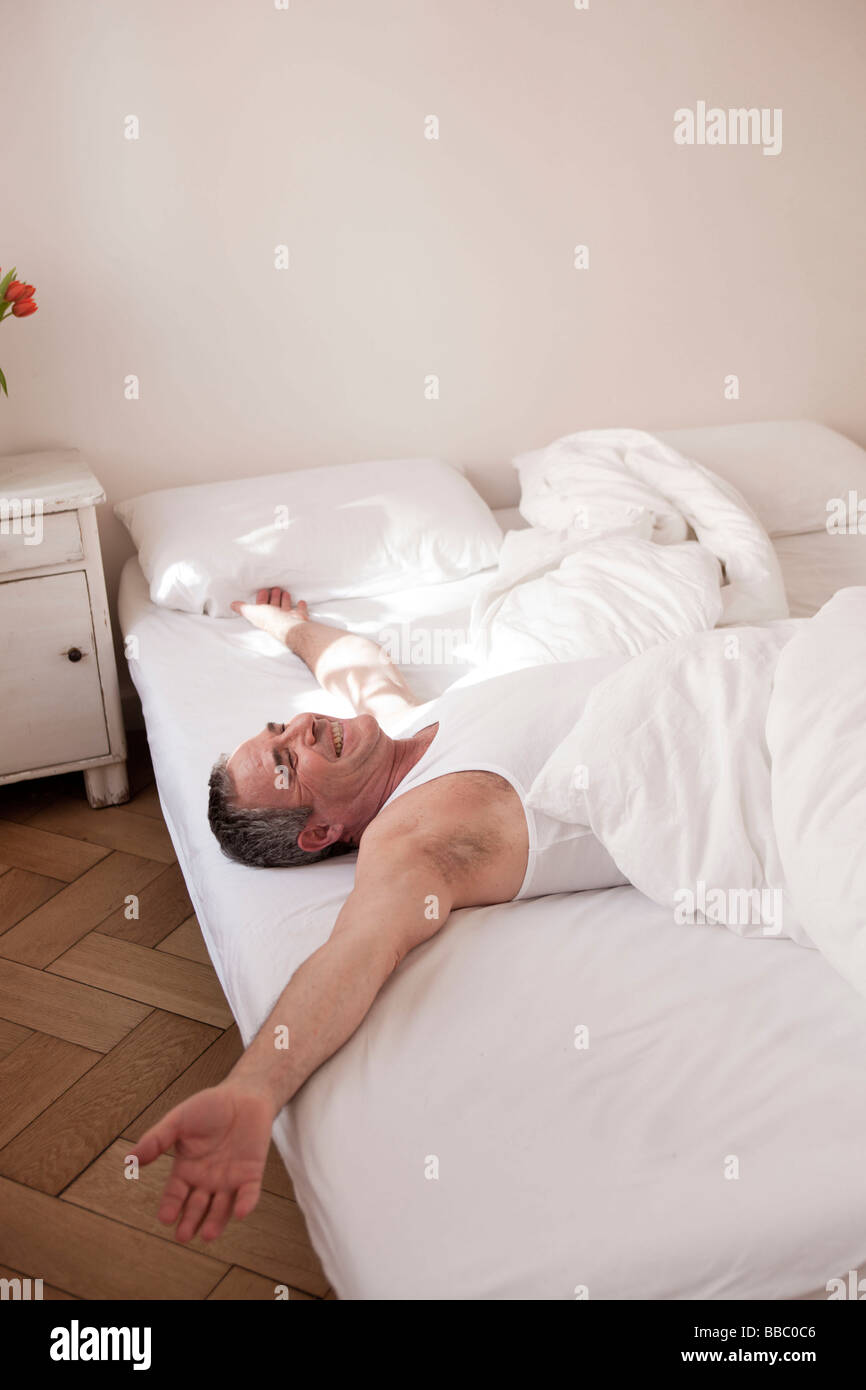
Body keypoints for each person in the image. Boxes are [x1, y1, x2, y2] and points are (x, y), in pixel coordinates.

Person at [131, 587, 626, 1245]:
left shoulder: (412, 724)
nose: (301, 725)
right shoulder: (414, 834)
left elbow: (353, 664)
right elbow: (357, 949)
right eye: (286, 761)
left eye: (279, 726)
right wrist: (252, 1090)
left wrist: (282, 623)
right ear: (319, 832)